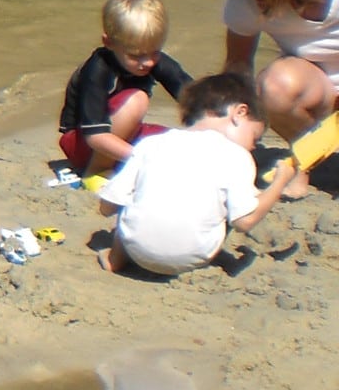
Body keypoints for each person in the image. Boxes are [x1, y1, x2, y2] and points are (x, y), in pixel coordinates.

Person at [96, 71, 294, 274]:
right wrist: (280, 181)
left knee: (131, 194)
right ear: (240, 113)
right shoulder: (237, 156)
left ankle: (115, 258)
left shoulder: (151, 143)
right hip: (192, 257)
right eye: (254, 137)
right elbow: (245, 221)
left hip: (137, 251)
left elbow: (107, 207)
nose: (253, 147)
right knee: (232, 203)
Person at [218, 0, 339, 195]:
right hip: (321, 93)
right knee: (274, 86)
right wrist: (234, 128)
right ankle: (306, 160)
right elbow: (238, 66)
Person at [57, 0, 192, 175]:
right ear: (109, 43)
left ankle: (118, 161)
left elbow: (195, 100)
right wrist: (141, 157)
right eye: (136, 55)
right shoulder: (97, 70)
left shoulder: (152, 60)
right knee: (137, 100)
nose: (148, 62)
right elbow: (95, 136)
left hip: (123, 135)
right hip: (83, 142)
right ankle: (96, 171)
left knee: (178, 142)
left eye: (155, 51)